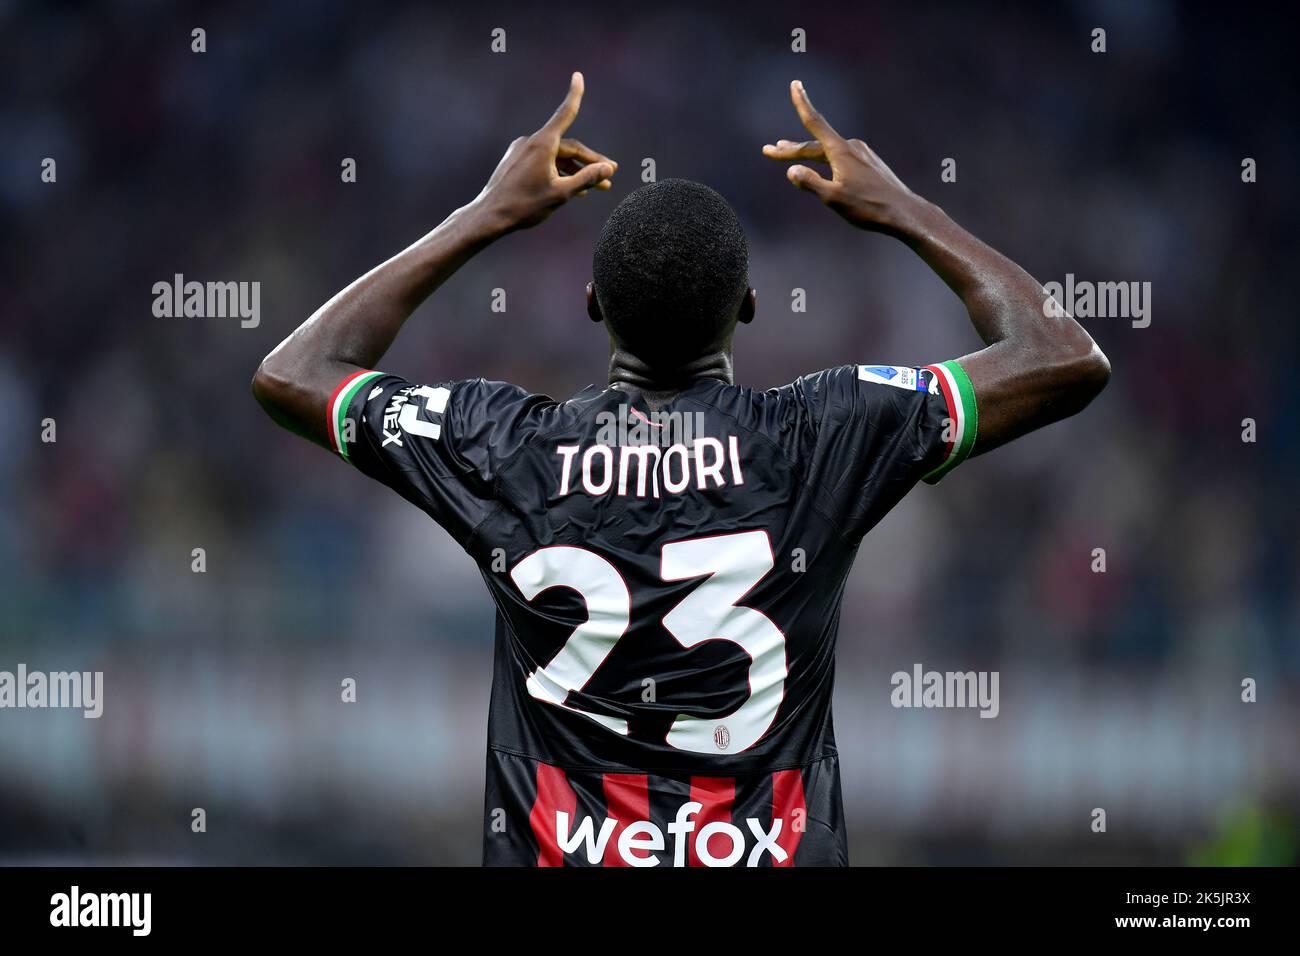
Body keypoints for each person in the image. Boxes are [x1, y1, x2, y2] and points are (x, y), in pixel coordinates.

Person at [252, 73, 1109, 866]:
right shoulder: (827, 435)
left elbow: (297, 373)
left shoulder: (503, 447)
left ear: (593, 306)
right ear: (747, 307)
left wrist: (483, 215)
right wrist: (906, 210)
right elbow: (1061, 355)